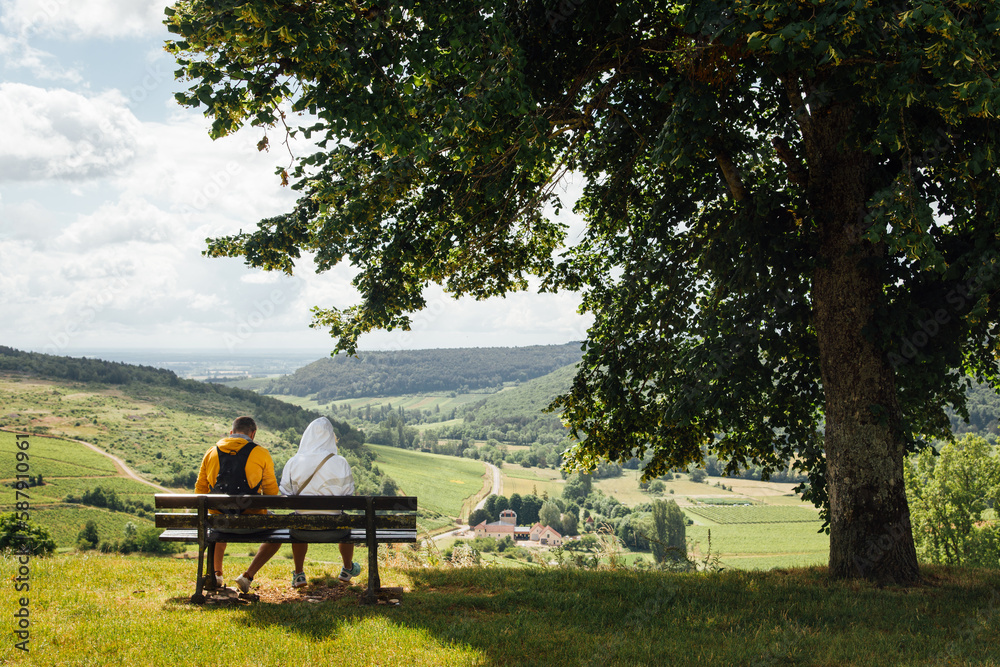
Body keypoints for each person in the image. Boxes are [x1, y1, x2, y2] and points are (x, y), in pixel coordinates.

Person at [234, 416, 361, 592]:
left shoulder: (294, 461)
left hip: (302, 530)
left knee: (299, 518)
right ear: (330, 438)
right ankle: (347, 568)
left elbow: (285, 491)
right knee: (345, 520)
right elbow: (348, 494)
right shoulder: (341, 462)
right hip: (335, 528)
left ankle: (299, 573)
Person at [194, 416, 279, 589]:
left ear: (231, 433)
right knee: (278, 532)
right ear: (253, 434)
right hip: (252, 523)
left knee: (218, 515)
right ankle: (247, 576)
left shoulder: (211, 452)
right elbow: (272, 493)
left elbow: (200, 491)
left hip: (220, 524)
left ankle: (217, 574)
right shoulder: (261, 453)